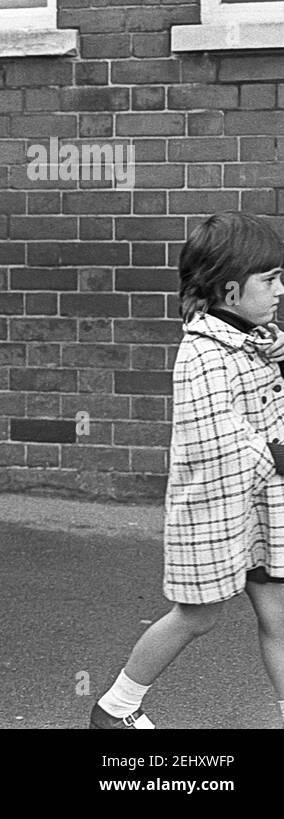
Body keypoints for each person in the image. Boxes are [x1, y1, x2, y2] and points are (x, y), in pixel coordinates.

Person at [92, 211, 284, 728]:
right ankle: (117, 707)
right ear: (230, 289)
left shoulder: (257, 339)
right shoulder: (203, 354)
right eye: (270, 279)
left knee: (280, 615)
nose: (281, 289)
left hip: (265, 507)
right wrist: (279, 453)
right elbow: (216, 438)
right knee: (199, 616)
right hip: (214, 508)